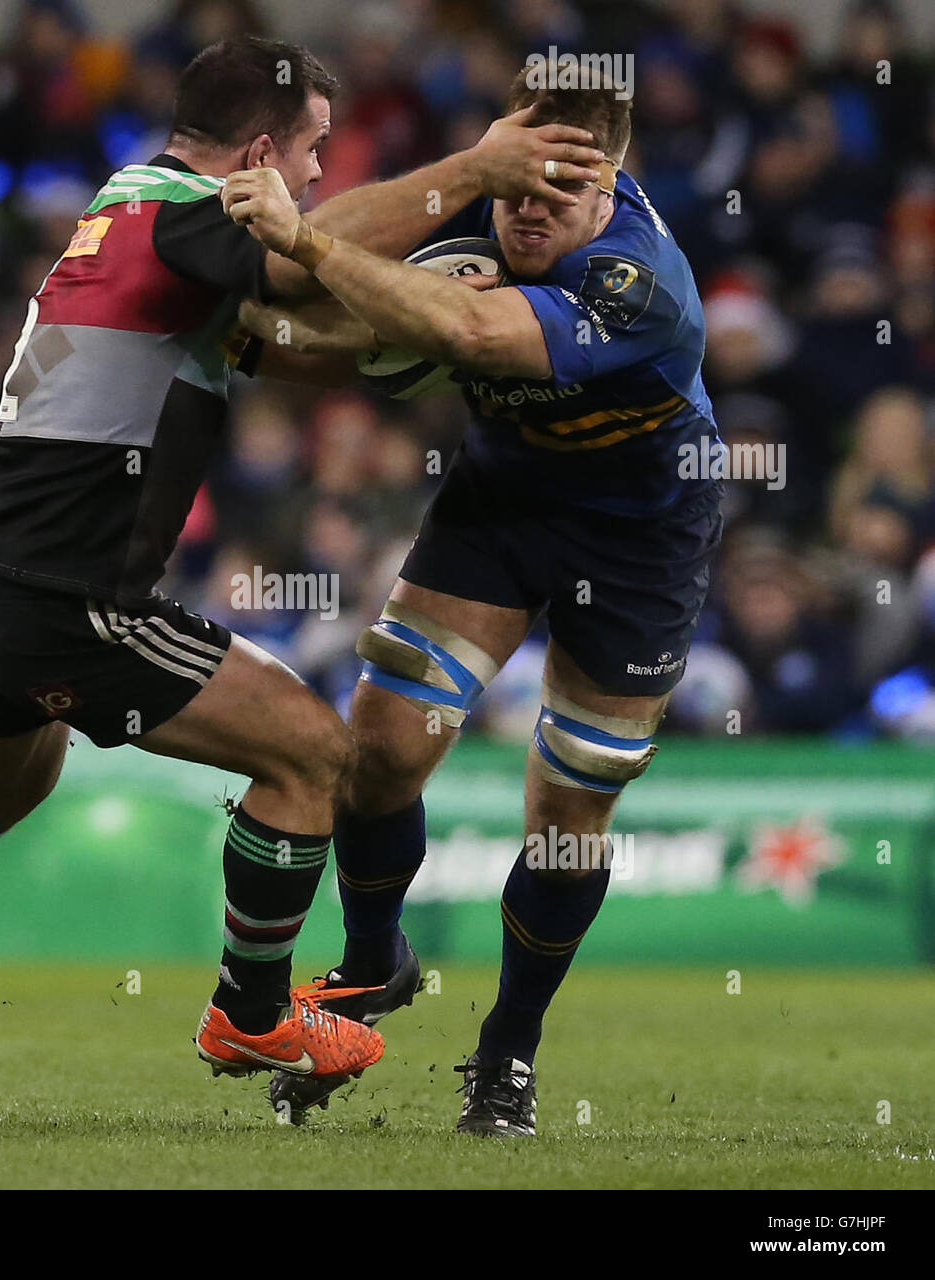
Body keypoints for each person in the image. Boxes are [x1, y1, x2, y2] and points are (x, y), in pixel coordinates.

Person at [0, 37, 604, 1125]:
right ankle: (249, 1008)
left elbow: (288, 318)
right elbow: (293, 258)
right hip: (65, 597)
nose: (316, 179)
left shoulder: (131, 210)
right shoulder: (184, 213)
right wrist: (471, 174)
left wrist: (432, 327)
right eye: (311, 154)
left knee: (0, 787)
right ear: (255, 154)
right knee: (313, 751)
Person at [226, 66, 724, 1137]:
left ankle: (506, 1051)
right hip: (503, 497)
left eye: (556, 198)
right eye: (513, 190)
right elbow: (297, 301)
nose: (528, 213)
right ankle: (369, 973)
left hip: (642, 531)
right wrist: (275, 318)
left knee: (567, 812)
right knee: (382, 745)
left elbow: (469, 335)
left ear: (609, 189)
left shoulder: (639, 279)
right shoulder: (470, 192)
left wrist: (312, 250)